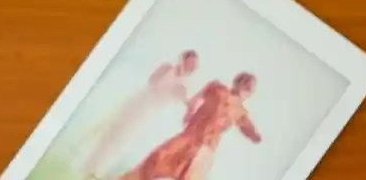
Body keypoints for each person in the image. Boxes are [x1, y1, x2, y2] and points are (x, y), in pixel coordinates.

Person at [73, 50, 199, 179]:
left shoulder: (183, 86)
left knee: (123, 139)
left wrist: (186, 98)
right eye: (189, 62)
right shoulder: (167, 68)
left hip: (147, 112)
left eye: (192, 65)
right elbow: (152, 81)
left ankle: (97, 170)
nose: (189, 66)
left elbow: (186, 102)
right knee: (112, 129)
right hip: (139, 101)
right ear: (183, 59)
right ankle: (88, 163)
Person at [119, 72, 262, 180]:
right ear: (237, 82)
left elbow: (249, 130)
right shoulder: (218, 89)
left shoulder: (240, 112)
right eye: (244, 84)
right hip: (190, 137)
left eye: (248, 88)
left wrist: (256, 136)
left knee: (189, 176)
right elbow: (197, 98)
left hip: (205, 149)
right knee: (157, 160)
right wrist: (190, 109)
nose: (244, 89)